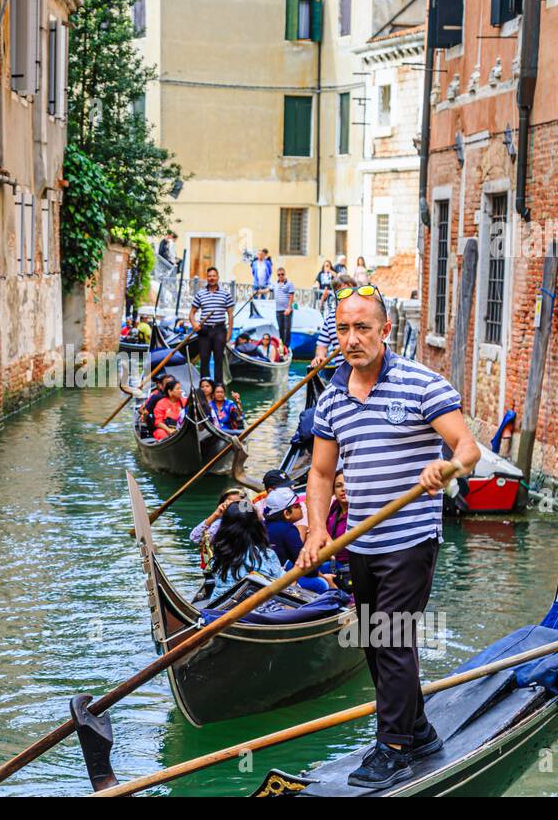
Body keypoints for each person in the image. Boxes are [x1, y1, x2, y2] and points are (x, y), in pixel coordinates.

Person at [295, 283, 479, 789]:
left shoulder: (423, 385)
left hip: (410, 536)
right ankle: (417, 730)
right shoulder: (332, 397)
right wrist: (315, 530)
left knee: (393, 639)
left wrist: (447, 468)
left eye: (362, 328)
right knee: (373, 643)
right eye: (343, 329)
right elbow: (320, 474)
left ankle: (393, 748)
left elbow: (468, 447)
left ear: (385, 330)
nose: (352, 339)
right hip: (360, 541)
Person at [199, 500, 286, 607]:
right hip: (258, 608)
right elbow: (283, 582)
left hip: (220, 606)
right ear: (256, 526)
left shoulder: (221, 552)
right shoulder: (267, 554)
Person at [189, 266, 234, 384]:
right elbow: (192, 313)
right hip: (204, 330)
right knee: (204, 359)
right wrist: (194, 324)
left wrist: (229, 333)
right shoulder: (200, 294)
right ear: (207, 278)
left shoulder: (225, 294)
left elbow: (230, 315)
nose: (211, 278)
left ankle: (219, 387)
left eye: (214, 276)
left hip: (219, 330)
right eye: (209, 276)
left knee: (218, 359)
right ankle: (205, 386)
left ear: (218, 277)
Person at [190, 487, 247, 575]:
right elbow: (194, 537)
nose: (234, 506)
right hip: (222, 569)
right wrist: (215, 515)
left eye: (237, 503)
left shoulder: (250, 524)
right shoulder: (218, 525)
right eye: (230, 501)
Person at [314, 273, 358, 380]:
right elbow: (322, 345)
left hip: (363, 371)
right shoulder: (331, 318)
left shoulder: (364, 313)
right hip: (342, 375)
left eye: (348, 291)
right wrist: (320, 356)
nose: (345, 295)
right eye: (340, 292)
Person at [263, 487, 308, 571]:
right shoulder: (288, 529)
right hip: (290, 578)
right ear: (287, 513)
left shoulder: (264, 525)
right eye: (297, 506)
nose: (301, 506)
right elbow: (304, 564)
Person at [274, 266, 296, 347]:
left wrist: (289, 308)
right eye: (279, 275)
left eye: (282, 274)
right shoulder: (275, 284)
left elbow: (291, 296)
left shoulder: (289, 284)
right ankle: (281, 346)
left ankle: (286, 346)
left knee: (287, 330)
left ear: (285, 274)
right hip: (278, 310)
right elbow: (267, 290)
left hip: (287, 310)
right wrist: (258, 292)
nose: (280, 276)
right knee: (280, 329)